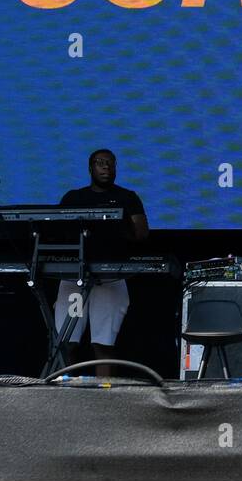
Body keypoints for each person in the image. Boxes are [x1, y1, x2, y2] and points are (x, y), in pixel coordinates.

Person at [52, 149, 148, 376]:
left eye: (111, 163)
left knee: (104, 343)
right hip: (74, 277)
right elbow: (55, 231)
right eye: (100, 163)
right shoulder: (73, 198)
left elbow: (142, 233)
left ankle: (104, 395)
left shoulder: (127, 197)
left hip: (110, 277)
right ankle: (62, 393)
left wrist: (115, 226)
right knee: (68, 339)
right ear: (90, 168)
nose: (106, 167)